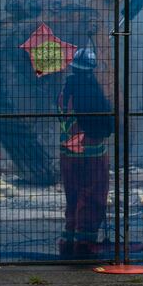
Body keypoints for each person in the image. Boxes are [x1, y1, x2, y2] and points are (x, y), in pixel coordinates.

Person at [57, 47, 113, 259]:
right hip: (91, 154)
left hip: (67, 155)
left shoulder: (65, 91)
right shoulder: (90, 90)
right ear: (91, 69)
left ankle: (67, 242)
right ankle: (85, 244)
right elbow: (105, 121)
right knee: (92, 196)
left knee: (72, 197)